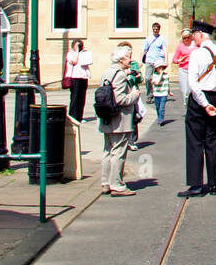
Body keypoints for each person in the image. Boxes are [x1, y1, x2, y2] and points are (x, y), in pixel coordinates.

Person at [179, 21, 216, 197]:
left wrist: (204, 104)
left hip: (201, 98)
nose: (193, 39)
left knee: (195, 140)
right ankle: (214, 183)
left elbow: (193, 82)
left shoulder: (197, 54)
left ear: (200, 34)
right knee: (211, 140)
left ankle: (196, 185)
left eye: (194, 36)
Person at [98, 45, 141, 196]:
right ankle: (117, 185)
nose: (130, 59)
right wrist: (135, 95)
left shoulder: (107, 72)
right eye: (128, 57)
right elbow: (120, 99)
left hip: (106, 118)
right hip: (120, 120)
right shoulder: (120, 75)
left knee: (107, 151)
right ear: (121, 60)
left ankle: (105, 182)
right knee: (118, 152)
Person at [65, 39, 92, 123]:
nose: (80, 46)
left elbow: (88, 62)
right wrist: (76, 51)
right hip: (74, 78)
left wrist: (84, 53)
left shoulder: (83, 53)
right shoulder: (70, 54)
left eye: (81, 45)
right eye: (78, 45)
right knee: (75, 98)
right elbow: (74, 61)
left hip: (83, 77)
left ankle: (79, 117)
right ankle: (73, 116)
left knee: (81, 98)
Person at [141, 22, 166, 102]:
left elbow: (165, 50)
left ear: (159, 30)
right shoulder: (148, 39)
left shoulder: (162, 39)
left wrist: (166, 60)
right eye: (154, 29)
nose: (155, 31)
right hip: (149, 60)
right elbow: (144, 50)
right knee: (148, 78)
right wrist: (140, 60)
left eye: (156, 29)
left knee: (158, 78)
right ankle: (149, 95)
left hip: (158, 61)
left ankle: (159, 94)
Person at [171, 28, 193, 105]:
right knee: (185, 90)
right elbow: (174, 59)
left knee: (193, 90)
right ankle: (186, 105)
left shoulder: (196, 46)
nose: (186, 39)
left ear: (191, 36)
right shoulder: (180, 46)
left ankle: (193, 107)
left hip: (193, 70)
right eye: (184, 38)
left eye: (188, 37)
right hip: (183, 70)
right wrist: (179, 60)